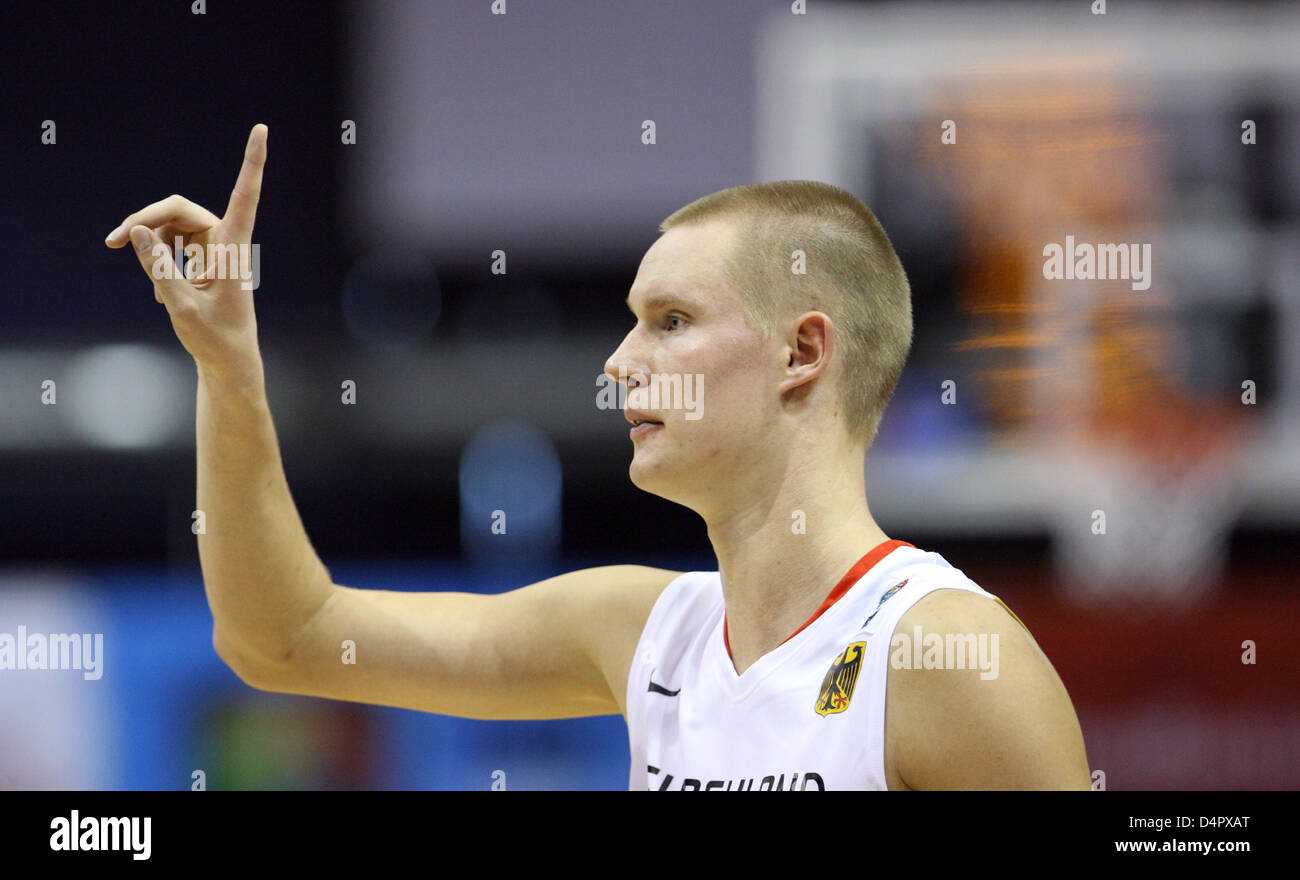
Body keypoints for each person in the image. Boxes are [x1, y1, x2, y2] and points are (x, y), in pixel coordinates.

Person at [105, 125, 1091, 790]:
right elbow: (283, 636)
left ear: (802, 353)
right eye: (631, 325)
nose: (618, 363)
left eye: (670, 321)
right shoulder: (639, 631)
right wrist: (231, 372)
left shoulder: (945, 656)